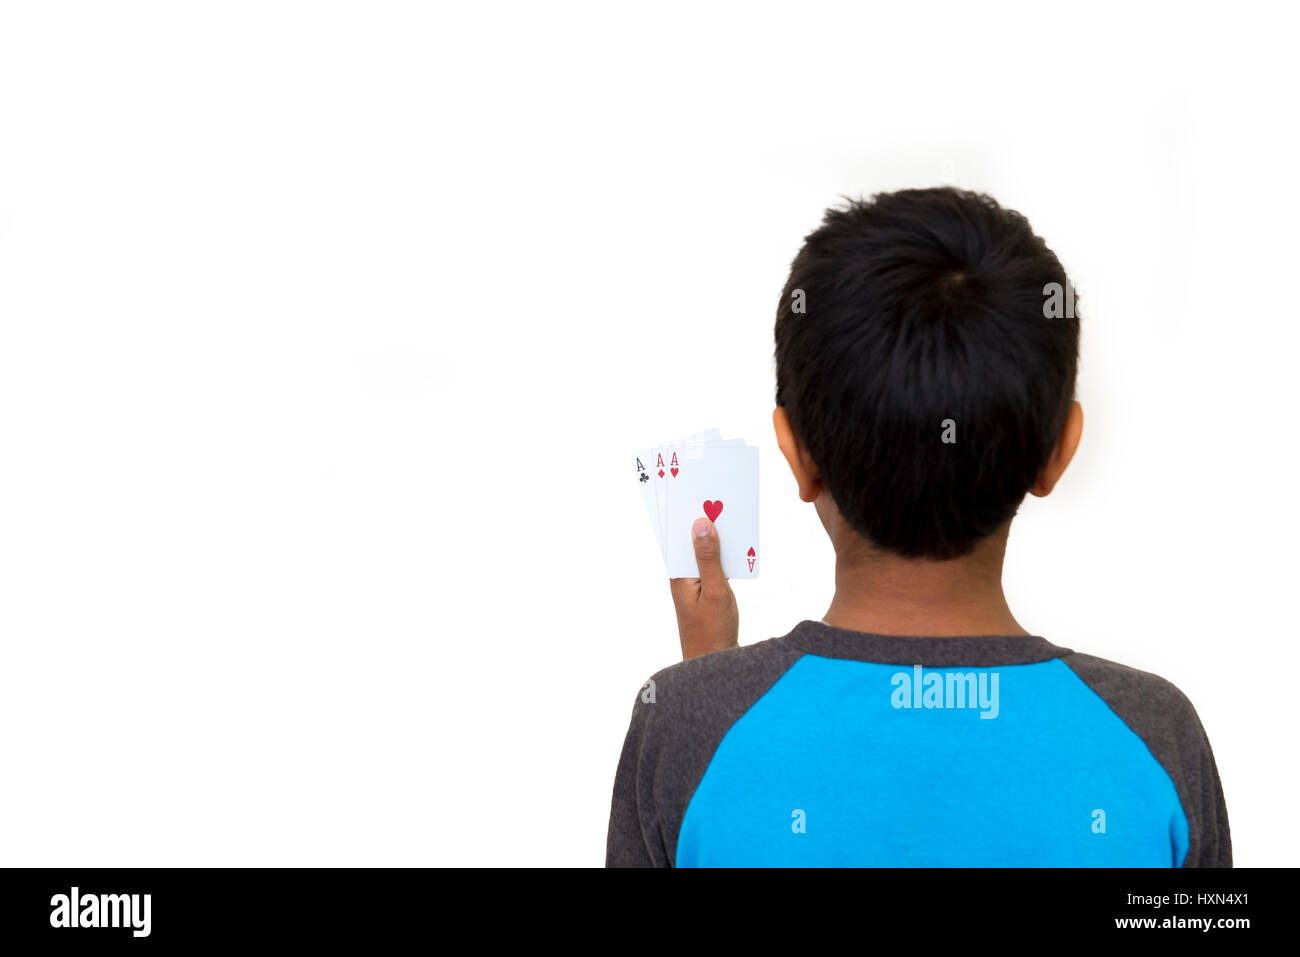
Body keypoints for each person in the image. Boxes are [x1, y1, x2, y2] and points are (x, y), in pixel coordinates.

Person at [606, 187, 1230, 867]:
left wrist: (710, 700)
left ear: (797, 454)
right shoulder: (1157, 738)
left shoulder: (678, 725)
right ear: (1059, 451)